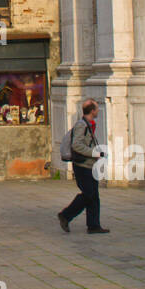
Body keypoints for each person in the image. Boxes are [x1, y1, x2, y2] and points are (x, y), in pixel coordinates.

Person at [57, 99, 109, 234]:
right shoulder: (82, 125)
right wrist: (94, 153)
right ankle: (66, 215)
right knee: (89, 195)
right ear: (92, 111)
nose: (98, 111)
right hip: (82, 166)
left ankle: (94, 225)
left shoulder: (88, 124)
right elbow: (76, 145)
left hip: (89, 165)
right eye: (96, 108)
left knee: (93, 195)